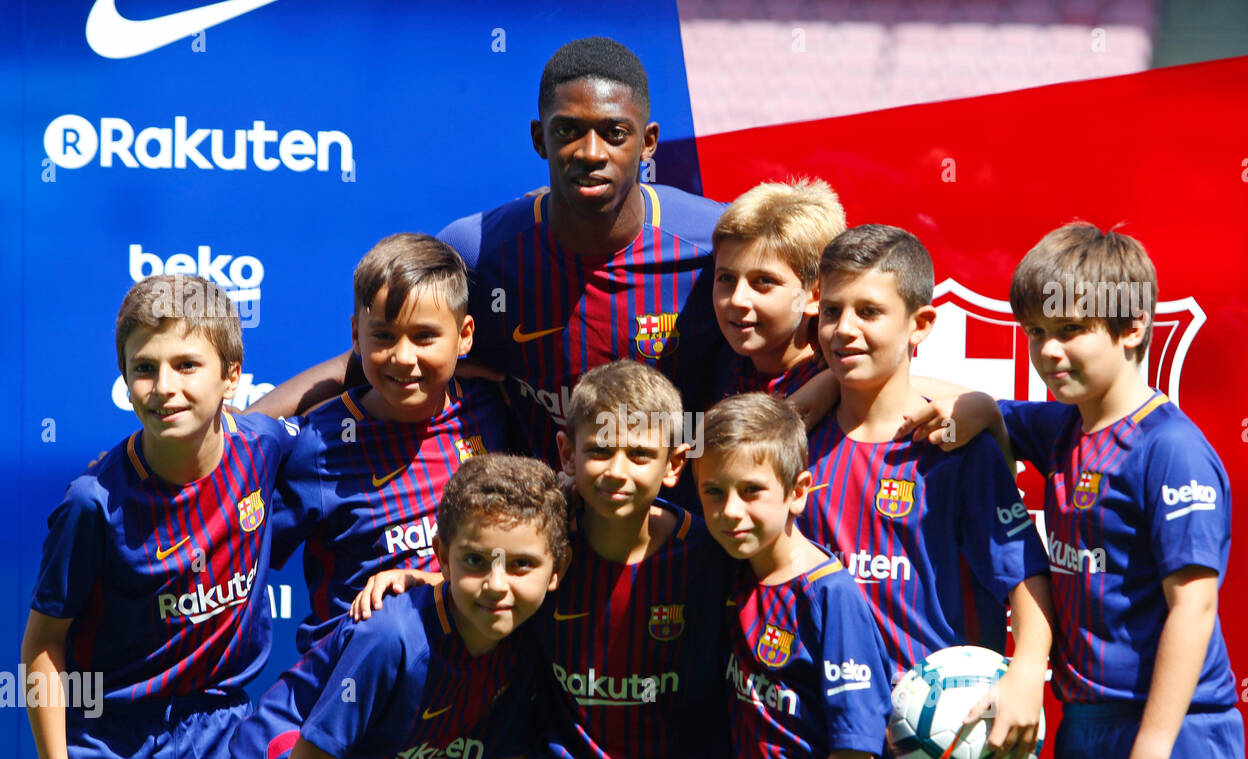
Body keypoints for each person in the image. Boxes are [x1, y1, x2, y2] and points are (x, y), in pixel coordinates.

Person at [252, 38, 837, 454]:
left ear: (648, 143)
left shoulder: (712, 245)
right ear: (539, 138)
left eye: (614, 133)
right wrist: (237, 432)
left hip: (680, 537)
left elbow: (827, 341)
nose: (589, 151)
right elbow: (381, 358)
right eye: (567, 130)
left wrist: (919, 394)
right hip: (532, 538)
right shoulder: (479, 248)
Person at [903, 223, 1244, 759]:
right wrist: (975, 402)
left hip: (1171, 733)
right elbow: (972, 405)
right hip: (1083, 727)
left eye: (1070, 330)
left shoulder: (1171, 452)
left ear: (1133, 327)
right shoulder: (1064, 428)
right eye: (1034, 332)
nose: (1048, 352)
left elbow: (1195, 610)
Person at [801, 225, 1055, 759]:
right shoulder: (793, 443)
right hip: (815, 746)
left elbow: (1024, 577)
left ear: (921, 323)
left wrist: (1026, 673)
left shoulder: (954, 449)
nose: (844, 329)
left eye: (868, 311)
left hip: (930, 749)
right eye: (831, 311)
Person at [22, 275, 296, 759]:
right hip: (109, 756)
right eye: (144, 368)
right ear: (124, 379)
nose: (164, 388)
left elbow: (335, 385)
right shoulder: (91, 502)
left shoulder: (264, 449)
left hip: (225, 747)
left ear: (231, 376)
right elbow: (44, 645)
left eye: (186, 366)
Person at [267, 232, 515, 759]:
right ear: (355, 334)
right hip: (349, 729)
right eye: (382, 336)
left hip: (460, 728)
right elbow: (234, 541)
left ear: (464, 337)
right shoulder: (318, 444)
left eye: (425, 337)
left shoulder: (494, 411)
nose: (403, 358)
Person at [225, 454, 568, 759]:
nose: (497, 586)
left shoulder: (523, 645)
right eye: (476, 561)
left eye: (521, 565)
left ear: (556, 570)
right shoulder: (394, 637)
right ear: (441, 554)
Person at [538, 359, 731, 759]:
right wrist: (420, 581)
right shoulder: (538, 549)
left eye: (640, 454)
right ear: (567, 453)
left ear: (674, 465)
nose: (617, 471)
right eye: (600, 450)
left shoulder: (711, 556)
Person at [696, 393, 894, 759]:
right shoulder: (735, 575)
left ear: (798, 492)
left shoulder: (829, 594)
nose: (730, 511)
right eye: (714, 492)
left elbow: (859, 738)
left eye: (751, 491)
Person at [711, 178, 844, 402]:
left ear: (815, 296)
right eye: (726, 278)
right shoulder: (717, 364)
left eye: (764, 281)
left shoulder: (845, 394)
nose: (737, 299)